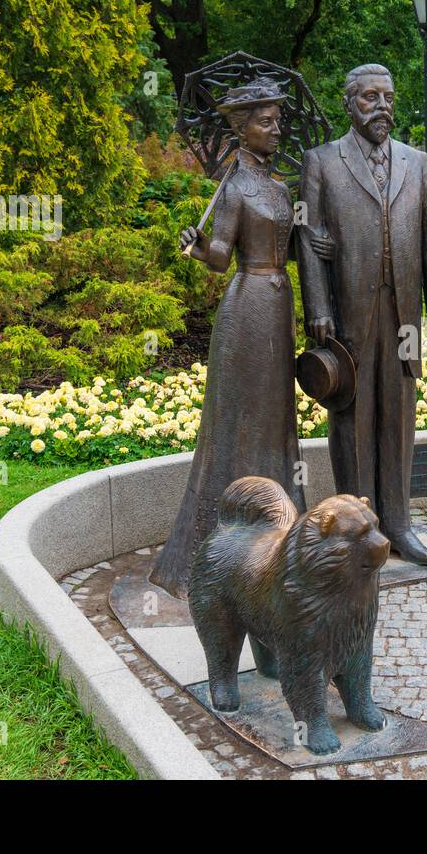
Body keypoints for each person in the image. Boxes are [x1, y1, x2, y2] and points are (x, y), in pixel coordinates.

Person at [150, 77, 306, 598]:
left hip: (279, 304)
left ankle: (282, 534)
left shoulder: (280, 186)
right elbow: (220, 259)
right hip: (248, 307)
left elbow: (294, 243)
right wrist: (194, 246)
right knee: (240, 421)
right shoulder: (234, 188)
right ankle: (217, 552)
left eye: (278, 120)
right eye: (266, 121)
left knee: (276, 419)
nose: (276, 129)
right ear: (242, 129)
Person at [296, 63, 427, 566]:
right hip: (347, 313)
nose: (381, 106)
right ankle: (357, 528)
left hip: (404, 311)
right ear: (349, 105)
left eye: (387, 97)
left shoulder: (417, 162)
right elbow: (308, 240)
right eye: (369, 98)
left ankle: (400, 525)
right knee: (352, 420)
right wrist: (317, 307)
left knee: (399, 417)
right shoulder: (321, 162)